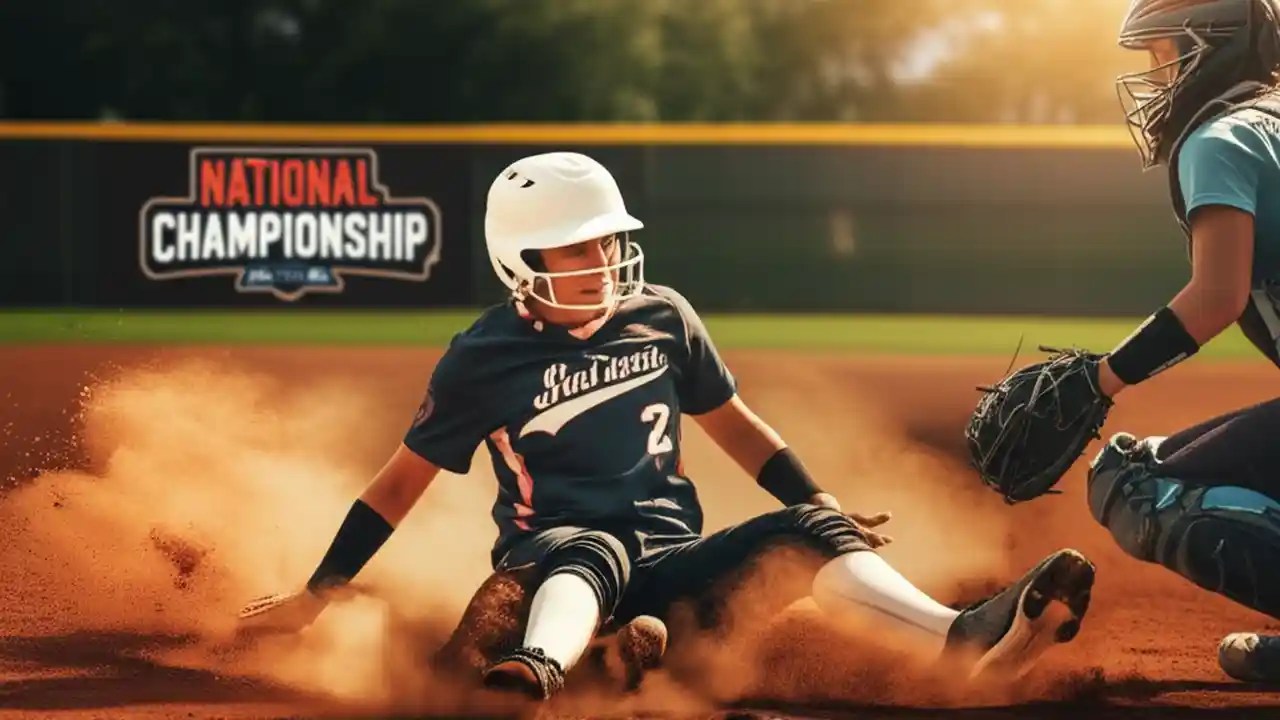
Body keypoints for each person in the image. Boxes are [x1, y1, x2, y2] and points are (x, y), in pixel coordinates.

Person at [237, 151, 1095, 701]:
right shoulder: (481, 356)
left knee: (801, 531)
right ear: (521, 262)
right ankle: (540, 667)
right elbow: (396, 488)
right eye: (579, 247)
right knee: (593, 548)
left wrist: (819, 502)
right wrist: (319, 593)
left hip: (676, 566)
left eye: (608, 241)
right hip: (551, 566)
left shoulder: (662, 315)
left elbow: (736, 424)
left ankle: (962, 639)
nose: (604, 259)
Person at [1064, 0, 1280, 683]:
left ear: (1210, 44)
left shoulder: (1221, 139)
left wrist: (1097, 380)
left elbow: (1218, 297)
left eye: (1164, 55)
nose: (1157, 77)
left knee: (1131, 483)